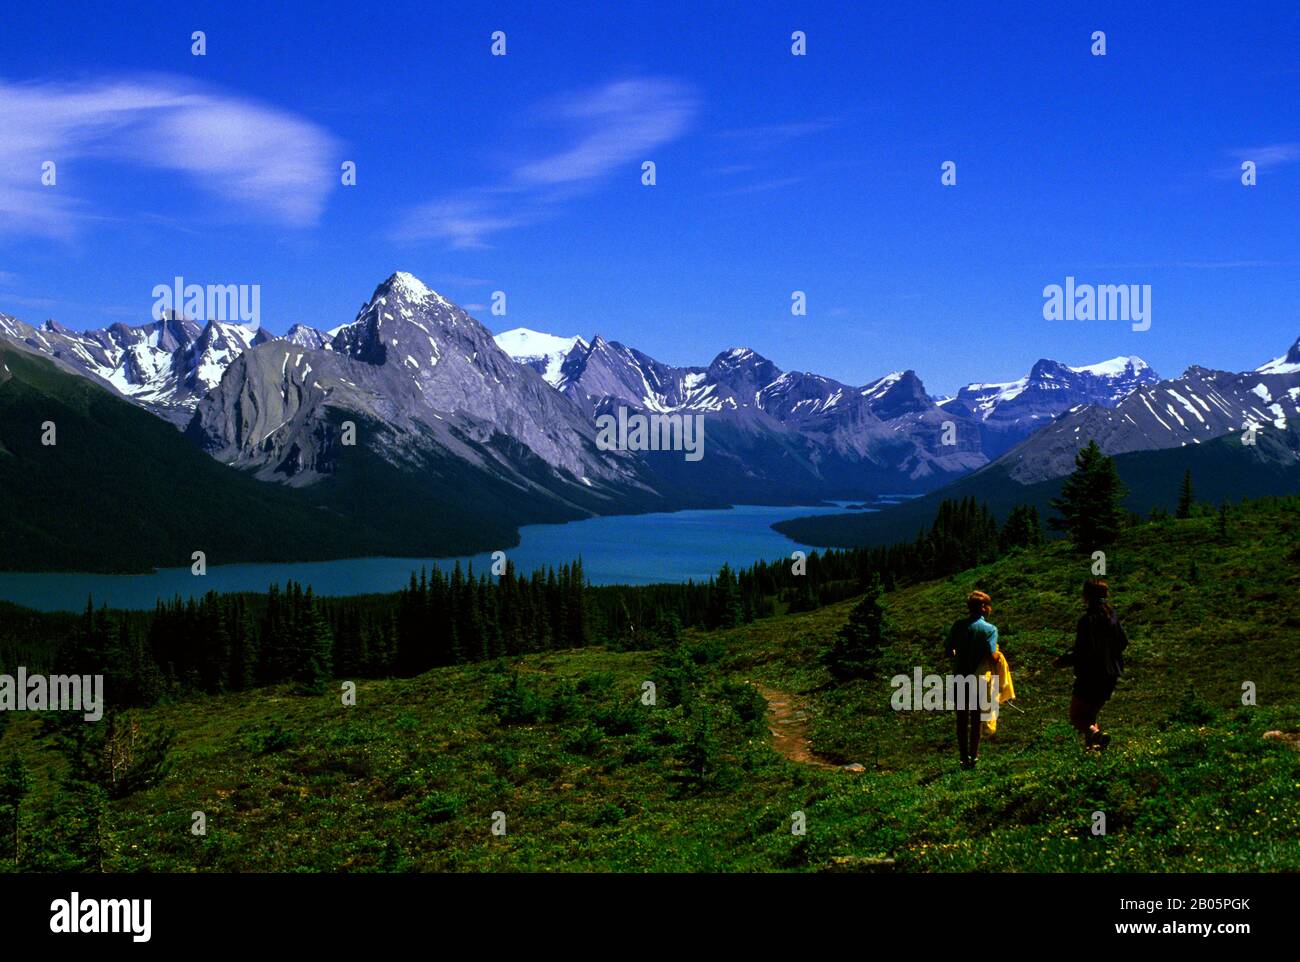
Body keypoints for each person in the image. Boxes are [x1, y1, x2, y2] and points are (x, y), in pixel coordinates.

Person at [1053, 577, 1128, 750]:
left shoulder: (1087, 620)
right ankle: (1093, 748)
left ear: (1086, 596)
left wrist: (1062, 661)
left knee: (1076, 717)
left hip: (1090, 675)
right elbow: (1123, 643)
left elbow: (1081, 652)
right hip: (1111, 674)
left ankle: (1097, 736)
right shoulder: (1112, 617)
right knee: (1090, 715)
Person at [945, 590, 998, 769]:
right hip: (979, 678)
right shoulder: (990, 630)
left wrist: (959, 655)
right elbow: (992, 656)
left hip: (960, 676)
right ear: (983, 608)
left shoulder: (958, 625)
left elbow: (948, 650)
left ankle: (962, 757)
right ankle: (974, 756)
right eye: (988, 606)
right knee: (976, 719)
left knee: (961, 719)